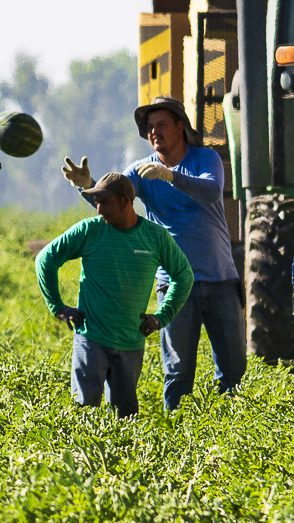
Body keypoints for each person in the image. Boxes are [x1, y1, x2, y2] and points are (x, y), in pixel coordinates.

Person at [58, 96, 244, 410]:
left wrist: (172, 176)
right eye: (149, 128)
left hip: (220, 280)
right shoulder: (141, 171)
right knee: (178, 371)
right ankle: (178, 437)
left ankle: (230, 433)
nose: (153, 132)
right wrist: (86, 184)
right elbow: (113, 205)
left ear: (180, 127)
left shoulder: (205, 158)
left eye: (161, 125)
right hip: (174, 287)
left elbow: (212, 191)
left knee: (234, 371)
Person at [35, 172, 194, 418]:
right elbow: (45, 259)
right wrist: (57, 306)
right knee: (85, 413)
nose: (99, 210)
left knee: (126, 417)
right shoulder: (89, 230)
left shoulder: (155, 236)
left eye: (104, 202)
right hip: (91, 340)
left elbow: (183, 275)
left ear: (125, 202)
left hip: (131, 342)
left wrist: (162, 316)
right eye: (96, 202)